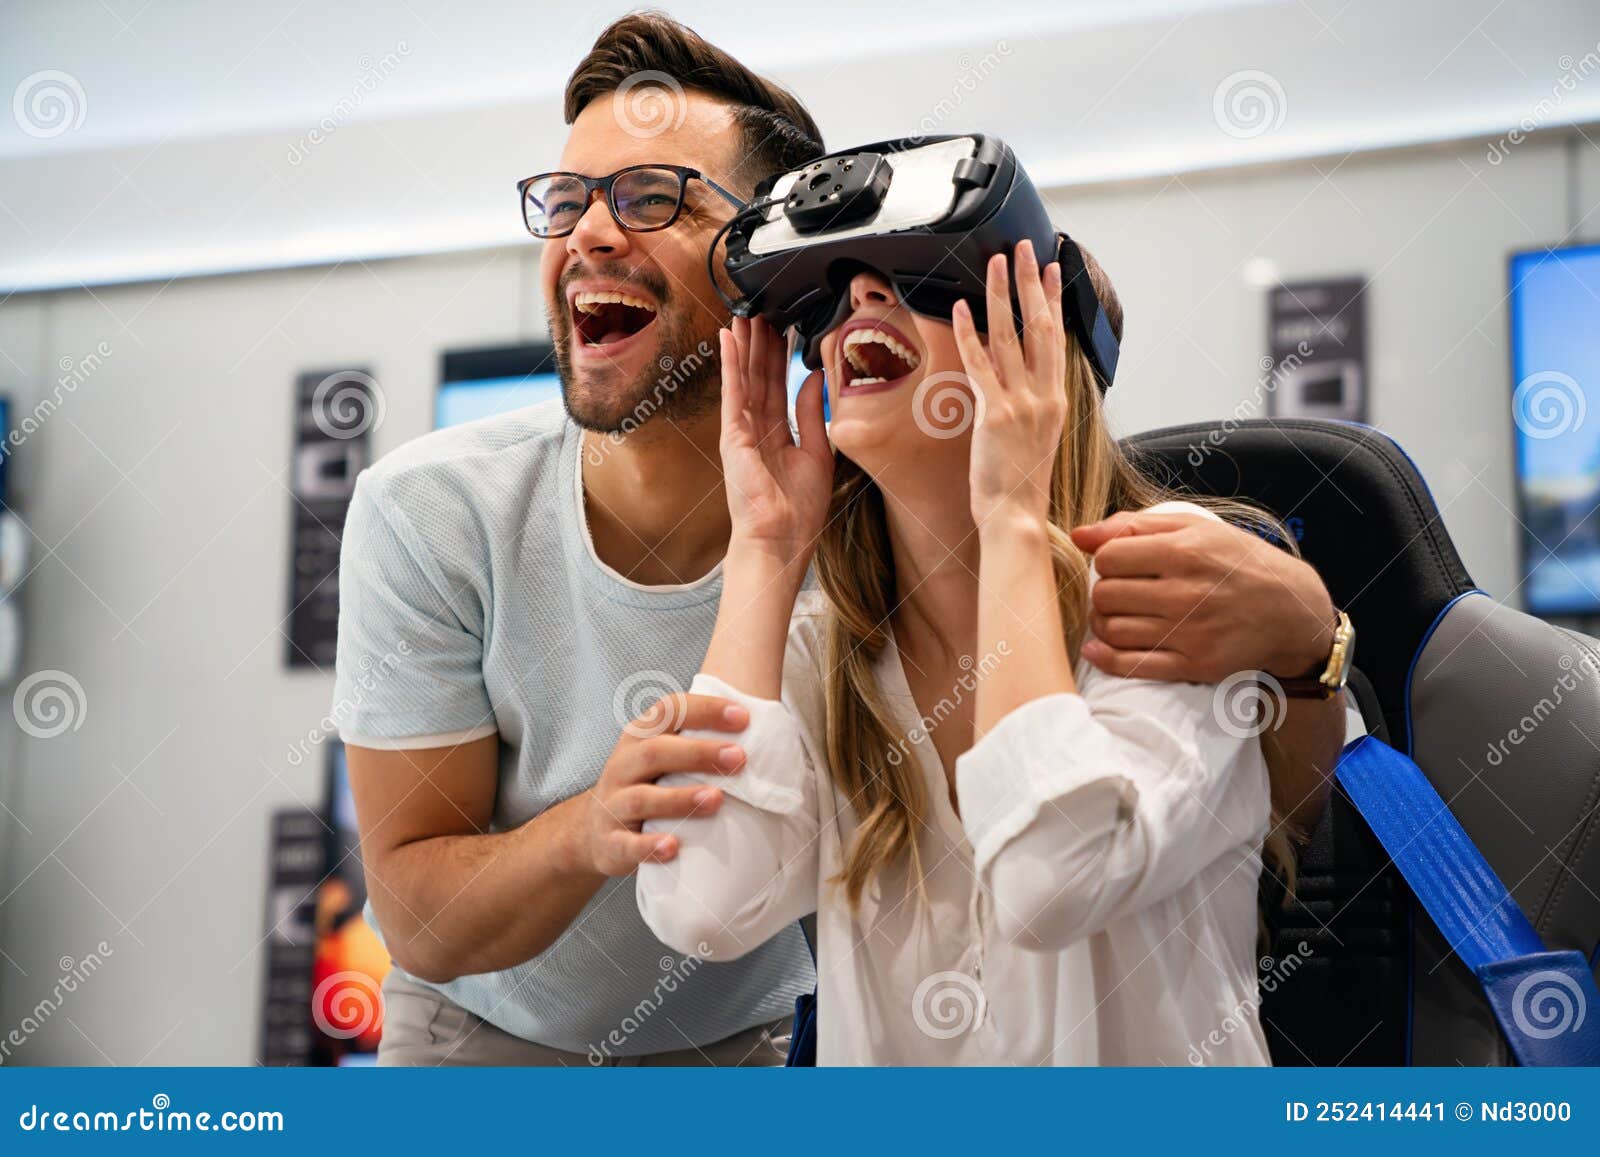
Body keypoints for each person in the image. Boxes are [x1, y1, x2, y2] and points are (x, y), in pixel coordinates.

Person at [333, 13, 1345, 1067]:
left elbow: (1085, 867)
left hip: (747, 1044)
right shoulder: (824, 625)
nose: (589, 232)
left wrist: (1308, 634)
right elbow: (699, 901)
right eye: (569, 198)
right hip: (481, 1034)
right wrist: (768, 548)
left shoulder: (1154, 576)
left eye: (649, 196)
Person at [637, 239, 1289, 1064]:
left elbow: (1051, 880)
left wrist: (1013, 513)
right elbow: (699, 906)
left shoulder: (1176, 578)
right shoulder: (823, 655)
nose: (861, 294)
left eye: (921, 276)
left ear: (1042, 360)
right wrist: (764, 547)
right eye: (836, 294)